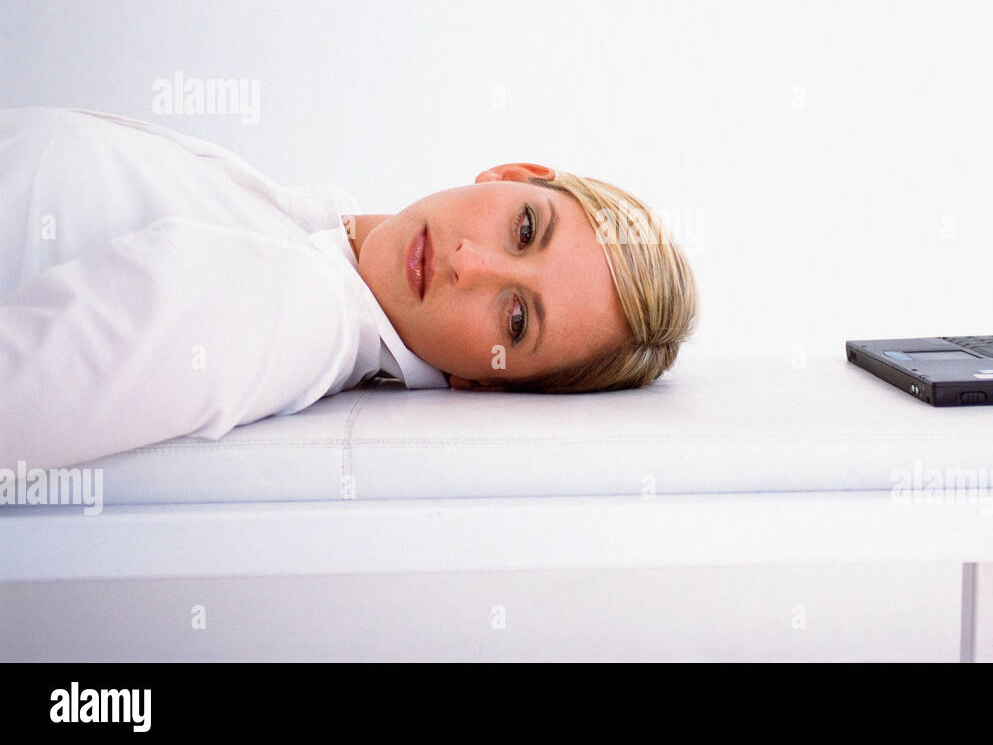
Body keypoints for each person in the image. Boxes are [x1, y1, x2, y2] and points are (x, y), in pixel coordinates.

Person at [0, 107, 698, 471]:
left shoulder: (300, 308)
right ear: (512, 171)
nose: (467, 263)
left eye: (515, 319)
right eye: (524, 228)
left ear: (487, 384)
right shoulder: (309, 236)